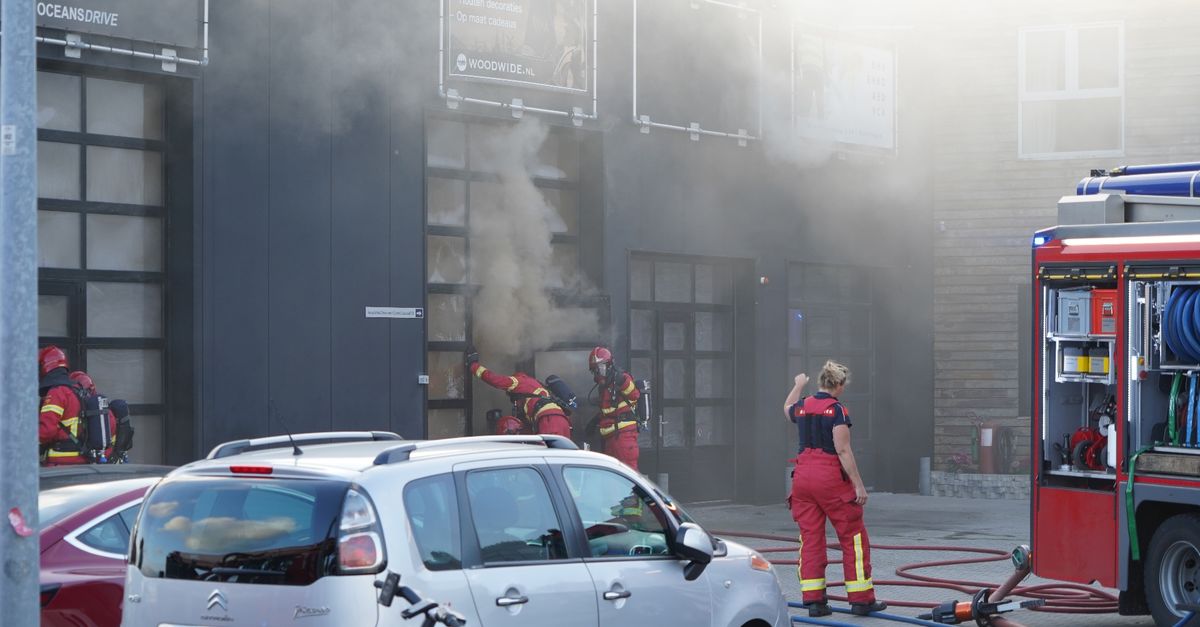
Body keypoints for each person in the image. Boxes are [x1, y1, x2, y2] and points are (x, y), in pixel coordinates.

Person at [784, 360, 886, 618]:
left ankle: (815, 602)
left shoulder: (803, 404)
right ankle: (862, 600)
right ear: (839, 385)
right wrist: (858, 485)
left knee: (810, 538)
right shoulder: (837, 410)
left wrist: (797, 386)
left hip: (802, 476)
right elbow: (842, 449)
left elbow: (786, 409)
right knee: (853, 536)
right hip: (828, 477)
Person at [466, 349, 572, 439]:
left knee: (549, 458)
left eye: (514, 400)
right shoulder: (535, 386)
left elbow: (495, 380)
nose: (516, 404)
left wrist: (473, 365)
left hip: (549, 421)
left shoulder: (518, 381)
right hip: (560, 421)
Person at [37, 346, 113, 465]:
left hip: (61, 464)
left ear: (45, 367)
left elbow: (46, 431)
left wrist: (21, 441)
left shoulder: (57, 392)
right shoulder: (77, 390)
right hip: (81, 460)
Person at [588, 346, 642, 470]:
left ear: (609, 365)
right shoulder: (604, 387)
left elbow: (634, 395)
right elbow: (609, 409)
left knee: (628, 477)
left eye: (601, 368)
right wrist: (596, 420)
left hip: (623, 437)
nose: (598, 373)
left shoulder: (621, 378)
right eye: (595, 370)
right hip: (611, 438)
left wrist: (622, 381)